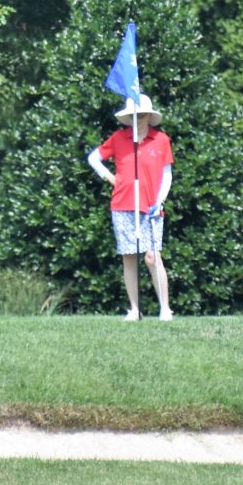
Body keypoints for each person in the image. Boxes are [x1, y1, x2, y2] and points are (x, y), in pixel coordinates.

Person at [87, 93, 174, 321]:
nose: (139, 119)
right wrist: (110, 178)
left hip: (152, 206)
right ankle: (134, 310)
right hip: (123, 204)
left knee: (152, 257)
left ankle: (165, 309)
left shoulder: (161, 140)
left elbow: (167, 175)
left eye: (142, 115)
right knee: (129, 257)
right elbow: (93, 158)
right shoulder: (118, 138)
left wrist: (160, 200)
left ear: (149, 116)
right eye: (134, 116)